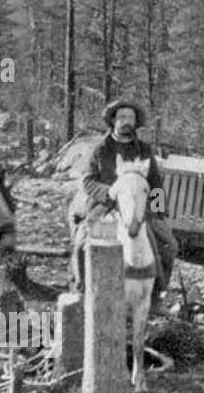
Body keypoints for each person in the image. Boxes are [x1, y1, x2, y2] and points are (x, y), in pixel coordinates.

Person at [75, 99, 177, 305]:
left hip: (139, 207)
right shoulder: (100, 149)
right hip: (106, 206)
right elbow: (87, 180)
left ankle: (155, 295)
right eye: (121, 117)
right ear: (112, 121)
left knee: (169, 244)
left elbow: (155, 183)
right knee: (81, 243)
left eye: (130, 118)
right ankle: (82, 290)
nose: (125, 122)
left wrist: (159, 213)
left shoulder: (144, 150)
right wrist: (110, 193)